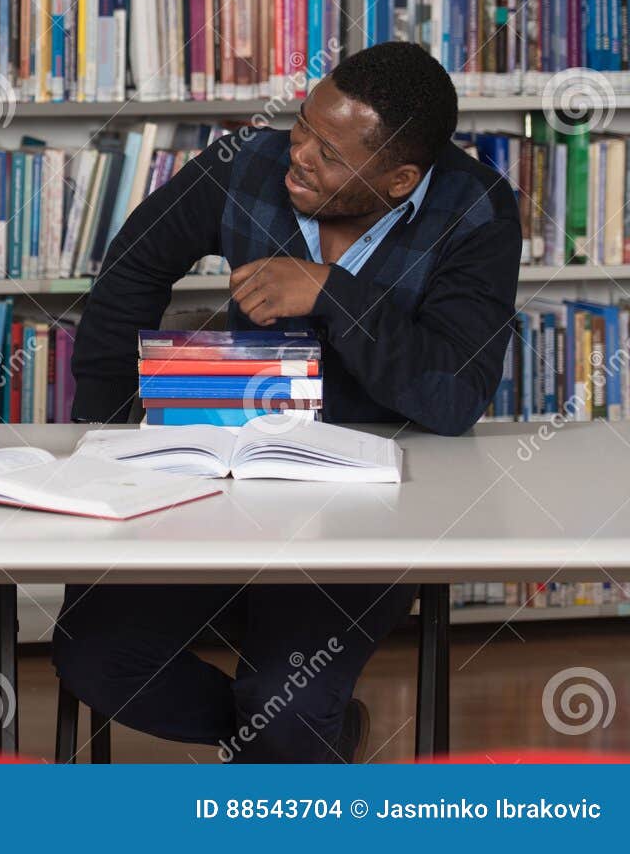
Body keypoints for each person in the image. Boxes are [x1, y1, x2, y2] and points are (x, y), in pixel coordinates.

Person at [57, 41, 522, 762]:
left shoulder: (476, 213)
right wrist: (109, 429)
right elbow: (132, 268)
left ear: (400, 179)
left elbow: (453, 392)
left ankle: (289, 740)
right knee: (96, 658)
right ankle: (296, 743)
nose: (299, 155)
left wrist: (332, 292)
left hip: (369, 508)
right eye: (303, 126)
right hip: (229, 480)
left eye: (329, 155)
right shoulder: (248, 163)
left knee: (285, 700)